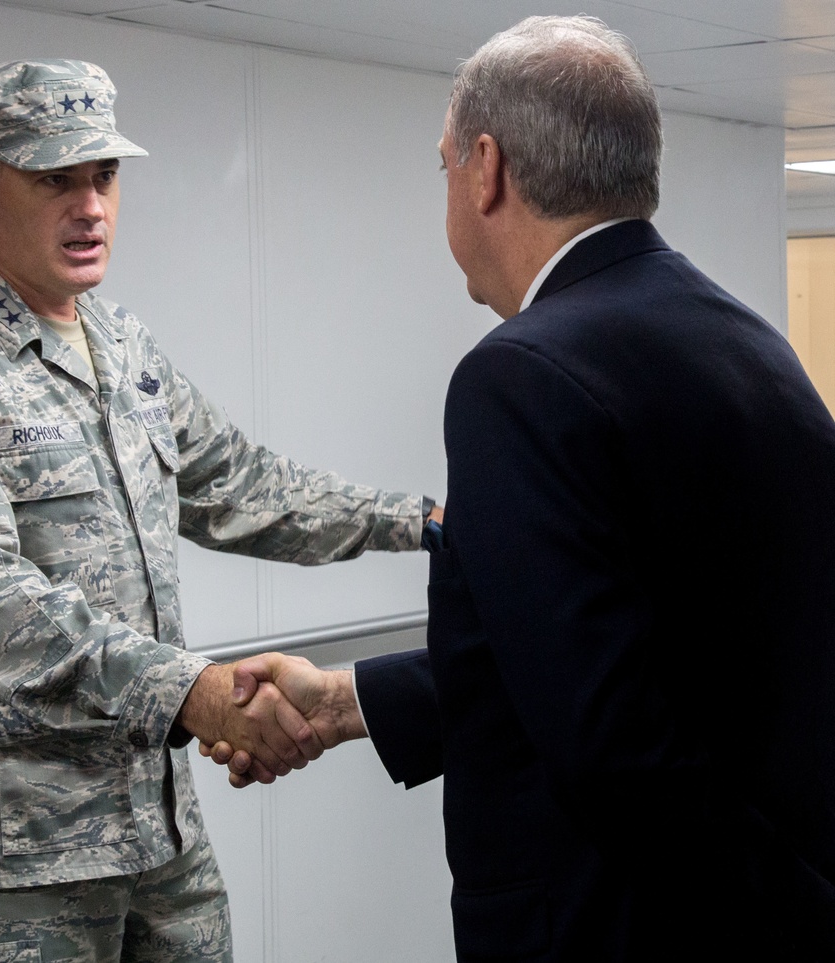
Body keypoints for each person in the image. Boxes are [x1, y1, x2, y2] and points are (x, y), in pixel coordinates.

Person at [206, 15, 835, 962]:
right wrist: (343, 703)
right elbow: (613, 649)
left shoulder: (522, 375)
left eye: (444, 163)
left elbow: (604, 736)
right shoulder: (748, 344)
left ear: (486, 167)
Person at [0, 59, 439, 962]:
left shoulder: (124, 347)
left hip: (157, 841)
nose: (91, 207)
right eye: (55, 179)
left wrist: (430, 521)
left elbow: (243, 486)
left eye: (105, 176)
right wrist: (191, 693)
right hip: (0, 869)